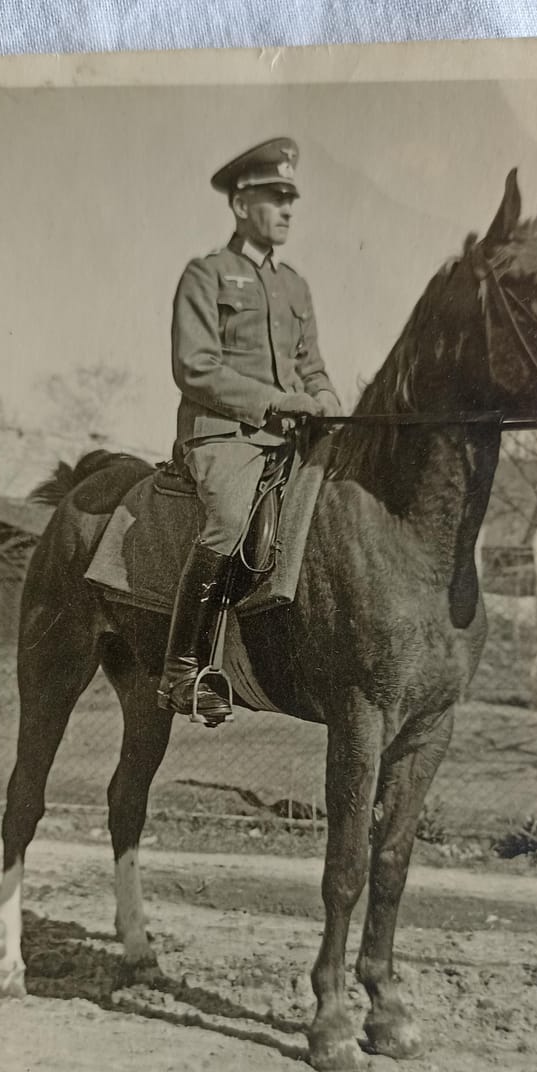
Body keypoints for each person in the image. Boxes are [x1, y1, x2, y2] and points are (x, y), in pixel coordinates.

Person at [158, 136, 341, 723]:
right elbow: (195, 367)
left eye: (292, 198)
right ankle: (182, 671)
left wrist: (327, 403)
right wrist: (274, 402)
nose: (288, 209)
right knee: (230, 519)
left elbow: (311, 365)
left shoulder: (296, 286)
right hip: (223, 436)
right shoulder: (206, 274)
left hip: (289, 438)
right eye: (274, 197)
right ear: (241, 204)